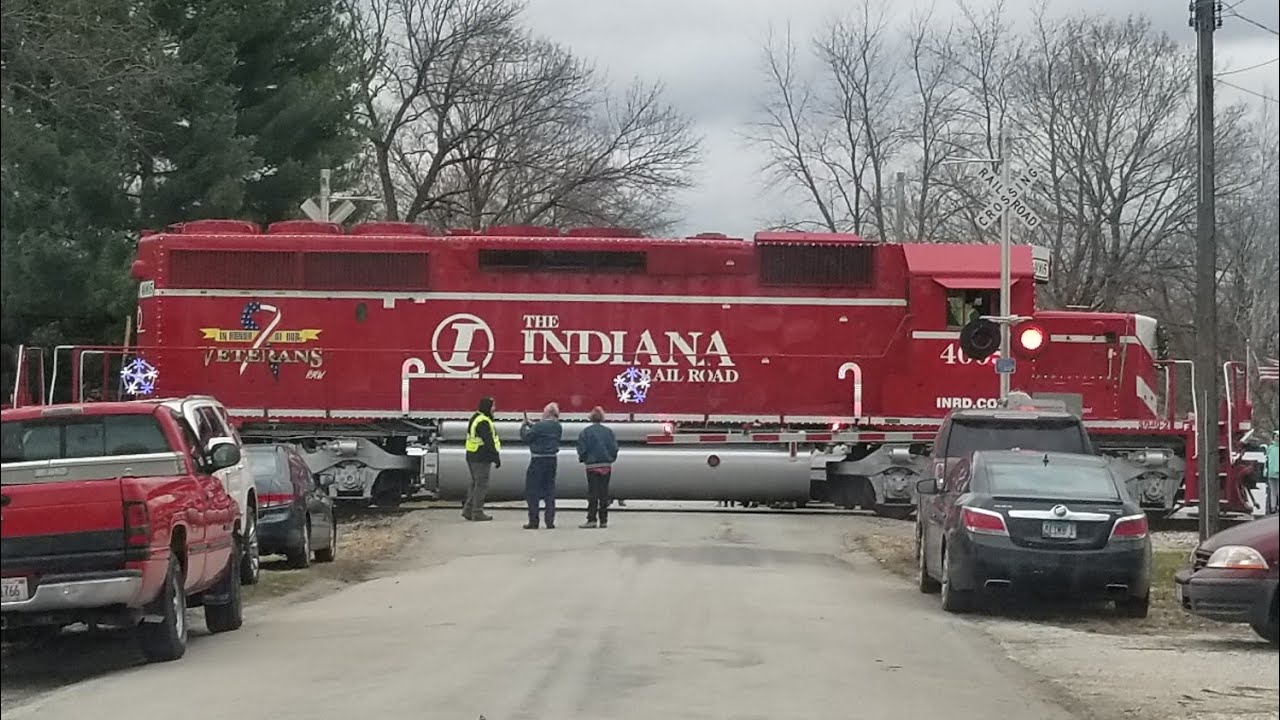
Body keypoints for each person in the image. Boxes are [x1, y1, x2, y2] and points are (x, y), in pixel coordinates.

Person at [520, 402, 563, 529]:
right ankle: (550, 521)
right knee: (549, 490)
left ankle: (534, 521)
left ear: (548, 413)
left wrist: (524, 426)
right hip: (552, 460)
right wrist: (533, 425)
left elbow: (527, 437)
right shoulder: (558, 427)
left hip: (538, 460)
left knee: (533, 491)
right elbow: (544, 430)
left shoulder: (539, 426)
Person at [576, 406, 619, 528]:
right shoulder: (608, 432)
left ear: (591, 418)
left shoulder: (586, 432)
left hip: (592, 466)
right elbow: (614, 448)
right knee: (604, 493)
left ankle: (592, 519)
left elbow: (582, 449)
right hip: (606, 466)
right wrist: (610, 459)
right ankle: (604, 520)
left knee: (593, 493)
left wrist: (584, 459)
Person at [462, 396, 501, 521]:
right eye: (493, 406)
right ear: (487, 407)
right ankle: (477, 512)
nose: (494, 409)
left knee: (475, 484)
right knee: (481, 485)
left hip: (472, 455)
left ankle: (468, 510)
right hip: (481, 457)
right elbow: (488, 441)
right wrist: (496, 457)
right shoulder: (483, 421)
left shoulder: (476, 417)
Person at [1264, 433, 1279, 515]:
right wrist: (1265, 471)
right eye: (1277, 436)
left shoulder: (1270, 448)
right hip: (1272, 472)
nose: (1278, 438)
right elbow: (1266, 460)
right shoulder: (1270, 448)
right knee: (1273, 491)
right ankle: (1273, 507)